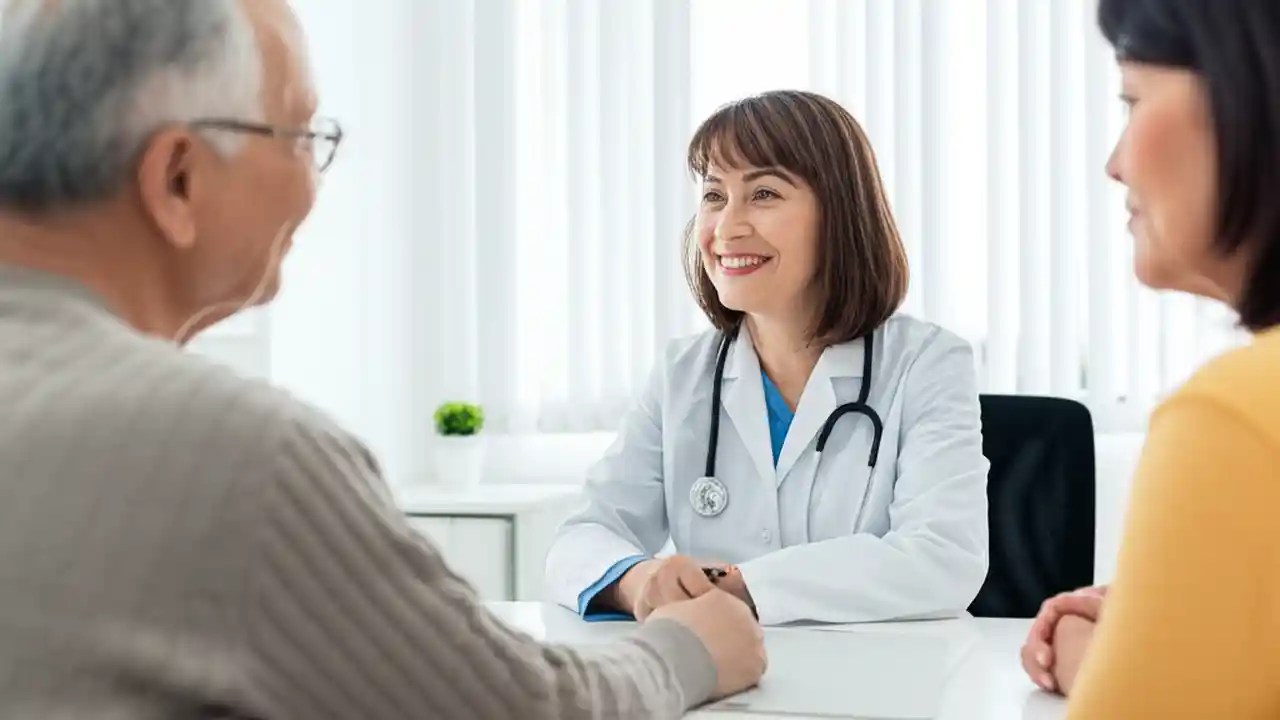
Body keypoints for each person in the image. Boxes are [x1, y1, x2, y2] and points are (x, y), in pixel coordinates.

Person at [0, 1, 766, 718]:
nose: (314, 180)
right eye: (303, 136)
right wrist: (687, 650)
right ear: (178, 178)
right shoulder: (234, 454)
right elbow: (520, 708)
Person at [545, 90, 990, 627]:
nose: (727, 227)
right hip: (720, 682)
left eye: (763, 194)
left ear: (841, 213)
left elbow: (943, 558)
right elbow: (580, 539)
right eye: (714, 195)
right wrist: (639, 581)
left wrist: (738, 586)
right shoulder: (683, 374)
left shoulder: (926, 363)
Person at [1023, 1, 1280, 716]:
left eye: (1133, 99)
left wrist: (1095, 652)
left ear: (1249, 97)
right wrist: (1162, 630)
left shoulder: (1238, 416)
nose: (1114, 164)